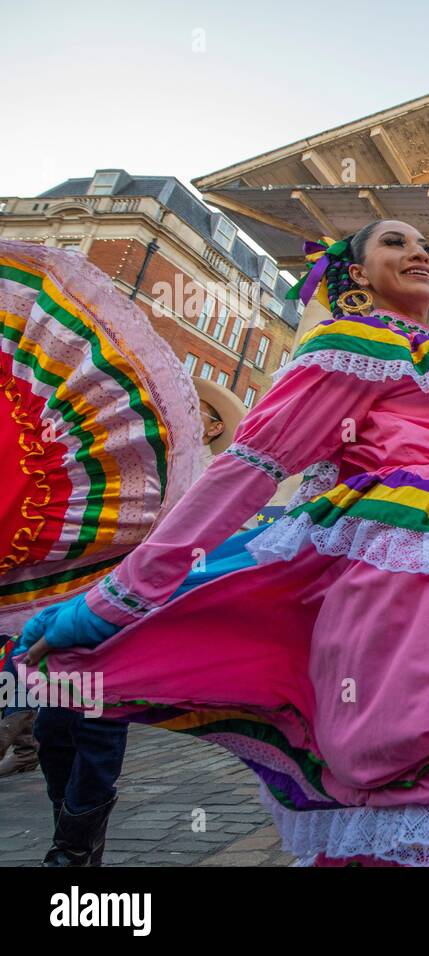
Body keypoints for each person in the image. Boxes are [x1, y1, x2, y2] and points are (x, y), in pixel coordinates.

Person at [12, 223, 429, 865]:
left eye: (427, 245)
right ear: (358, 275)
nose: (420, 253)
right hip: (390, 611)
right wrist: (112, 601)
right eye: (395, 243)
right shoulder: (350, 347)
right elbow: (248, 470)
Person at [0, 238, 203, 863]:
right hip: (51, 576)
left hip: (114, 579)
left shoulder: (158, 469)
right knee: (57, 724)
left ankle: (74, 847)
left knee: (93, 716)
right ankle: (74, 831)